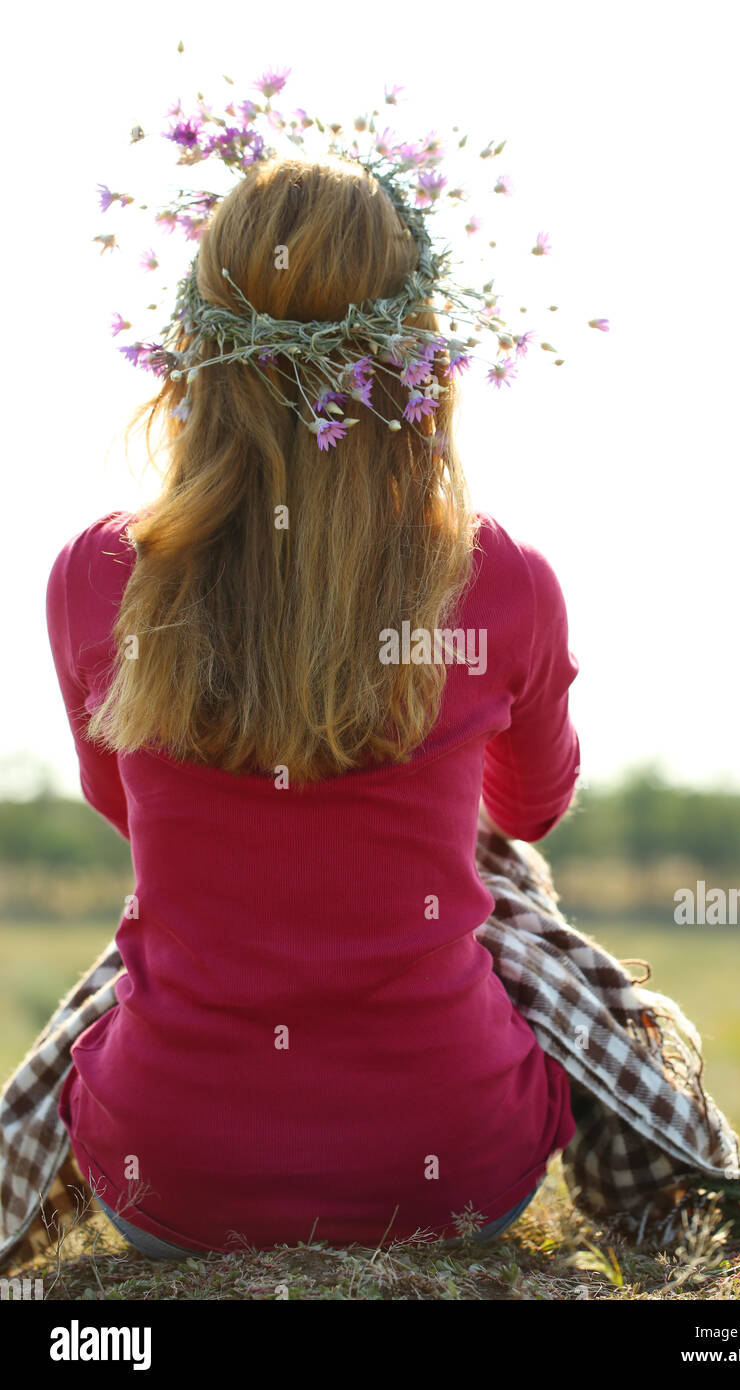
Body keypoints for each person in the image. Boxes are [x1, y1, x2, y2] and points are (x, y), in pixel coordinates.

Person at [45, 154, 581, 1258]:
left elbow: (125, 811)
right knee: (514, 898)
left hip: (173, 1182)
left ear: (198, 340)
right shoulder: (498, 579)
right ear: (418, 349)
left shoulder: (98, 576)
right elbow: (530, 810)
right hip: (454, 1166)